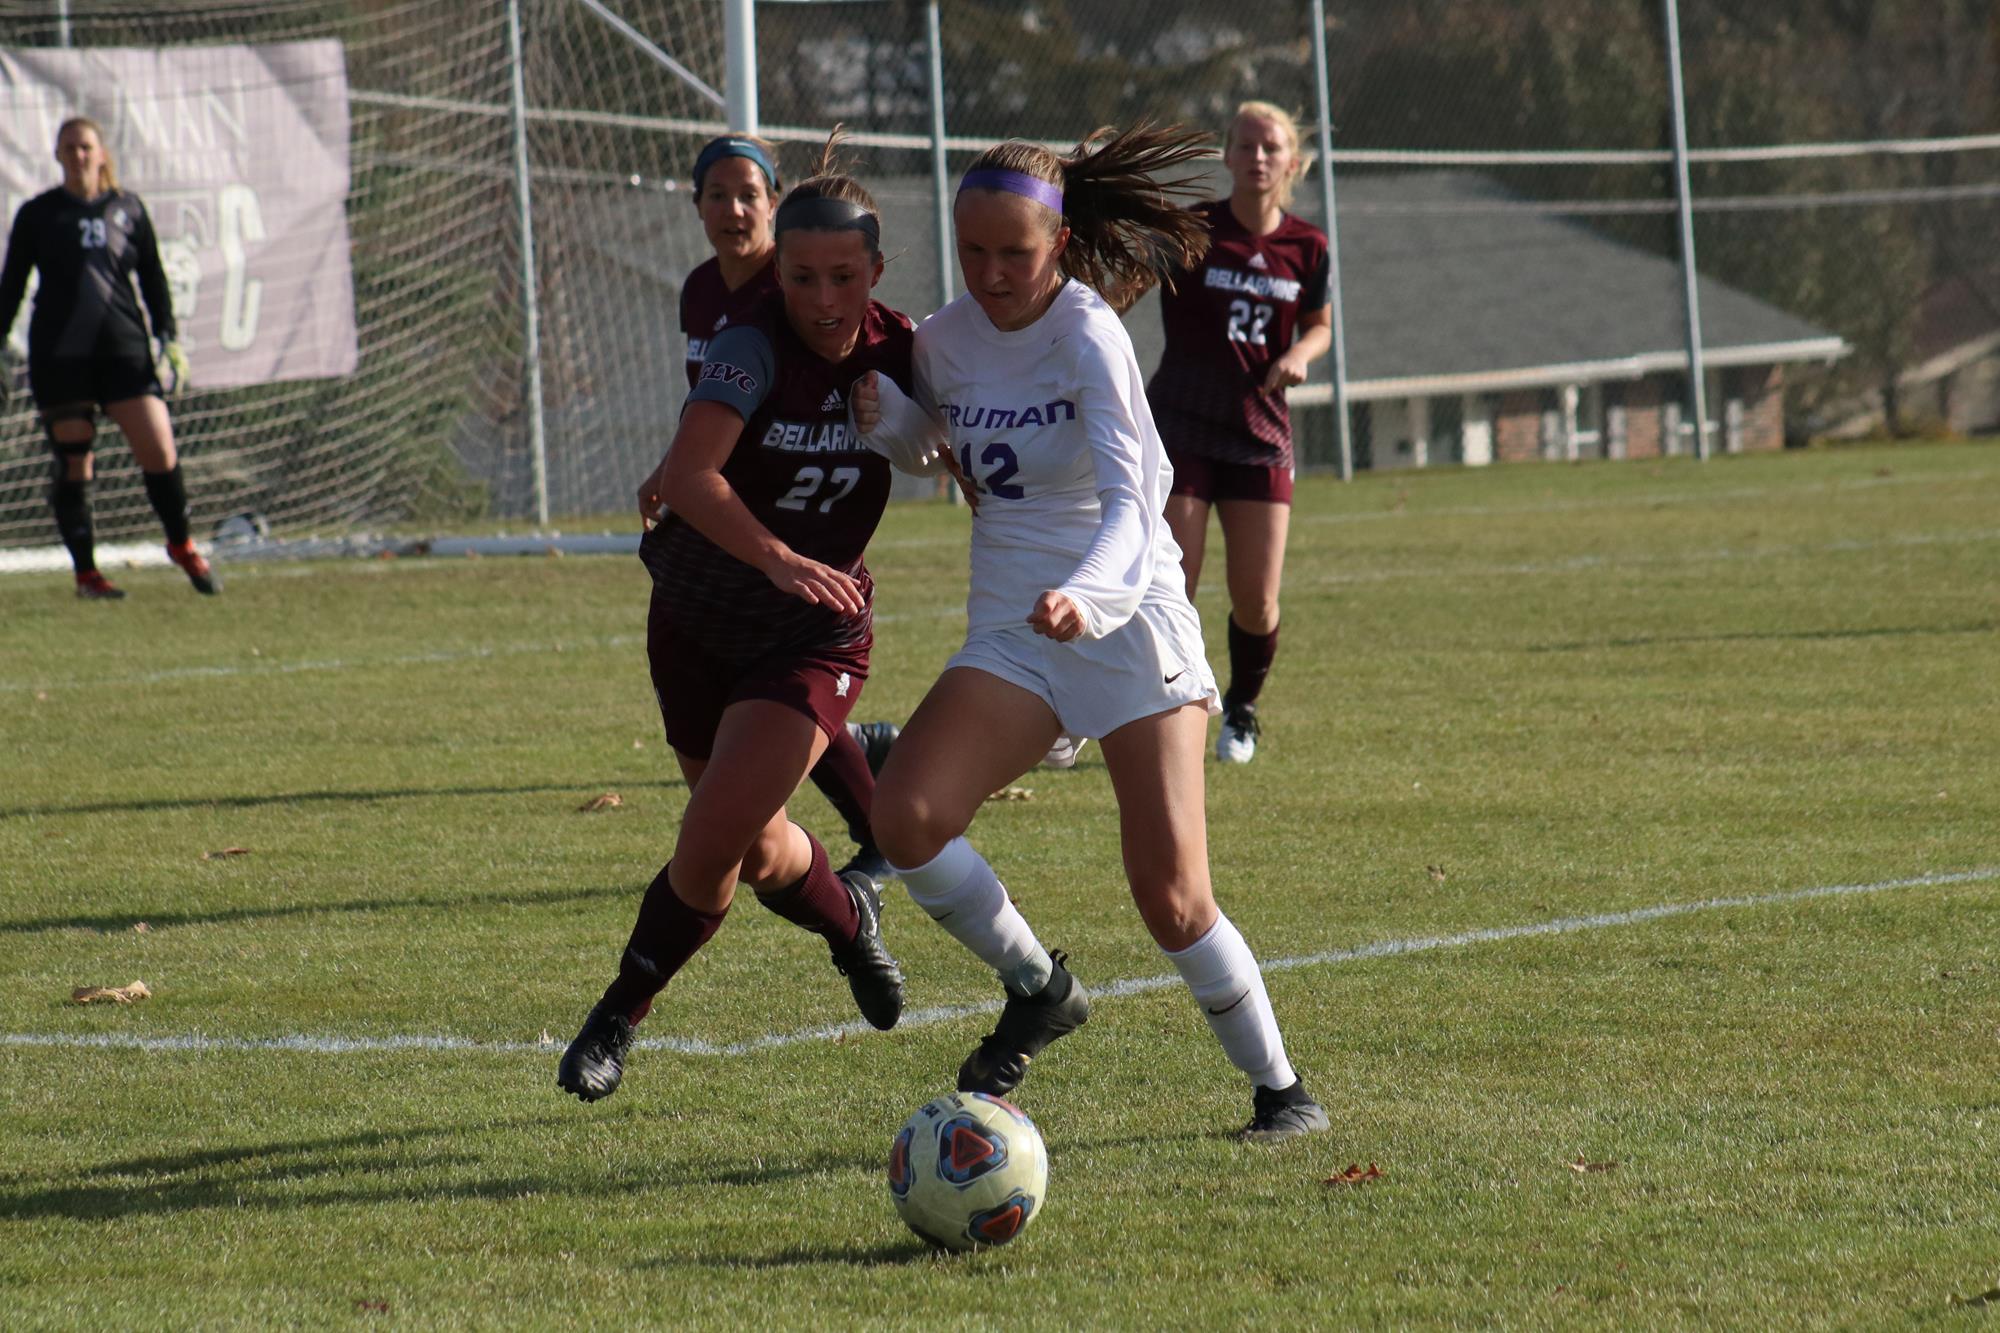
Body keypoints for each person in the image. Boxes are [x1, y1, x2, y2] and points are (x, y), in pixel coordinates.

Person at [854, 126, 1331, 1142]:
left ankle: (1282, 1092)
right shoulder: (941, 340)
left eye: (1013, 255)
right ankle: (1037, 985)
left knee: (1169, 897)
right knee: (903, 817)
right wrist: (882, 418)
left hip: (1124, 618)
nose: (989, 274)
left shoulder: (1086, 334)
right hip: (1013, 629)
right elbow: (936, 452)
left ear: (1059, 246)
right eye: (971, 251)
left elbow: (1139, 492)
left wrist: (1088, 595)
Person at [557, 136, 917, 1103]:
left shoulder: (907, 348)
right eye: (803, 277)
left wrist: (933, 436)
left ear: (877, 272)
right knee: (756, 849)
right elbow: (689, 476)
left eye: (845, 276)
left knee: (712, 832)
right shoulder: (750, 340)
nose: (825, 299)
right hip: (699, 613)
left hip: (815, 634)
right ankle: (852, 922)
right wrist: (779, 556)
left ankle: (614, 1018)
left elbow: (969, 438)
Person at [681, 132, 899, 884]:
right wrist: (670, 470)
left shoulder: (815, 313)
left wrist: (896, 417)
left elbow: (907, 400)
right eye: (718, 194)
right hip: (729, 553)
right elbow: (710, 420)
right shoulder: (703, 292)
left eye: (749, 194)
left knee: (787, 680)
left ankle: (880, 837)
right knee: (761, 700)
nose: (734, 209)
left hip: (804, 550)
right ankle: (872, 802)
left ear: (775, 206)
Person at [1148, 102, 1332, 763]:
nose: (1257, 156)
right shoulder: (1194, 231)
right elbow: (1132, 280)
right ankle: (1167, 707)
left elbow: (1319, 323)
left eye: (1271, 146)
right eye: (1245, 145)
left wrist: (1300, 355)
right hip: (1183, 423)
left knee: (1256, 599)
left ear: (1292, 160)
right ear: (1226, 157)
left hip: (1259, 428)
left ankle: (1244, 710)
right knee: (1175, 581)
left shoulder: (1308, 244)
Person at [0, 116, 213, 600]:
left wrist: (168, 336)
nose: (78, 156)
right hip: (61, 354)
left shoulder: (128, 210)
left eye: (86, 147)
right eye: (69, 147)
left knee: (159, 448)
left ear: (101, 153)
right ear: (57, 155)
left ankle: (181, 544)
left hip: (123, 350)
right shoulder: (38, 214)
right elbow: (11, 284)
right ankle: (87, 575)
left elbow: (154, 279)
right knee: (75, 463)